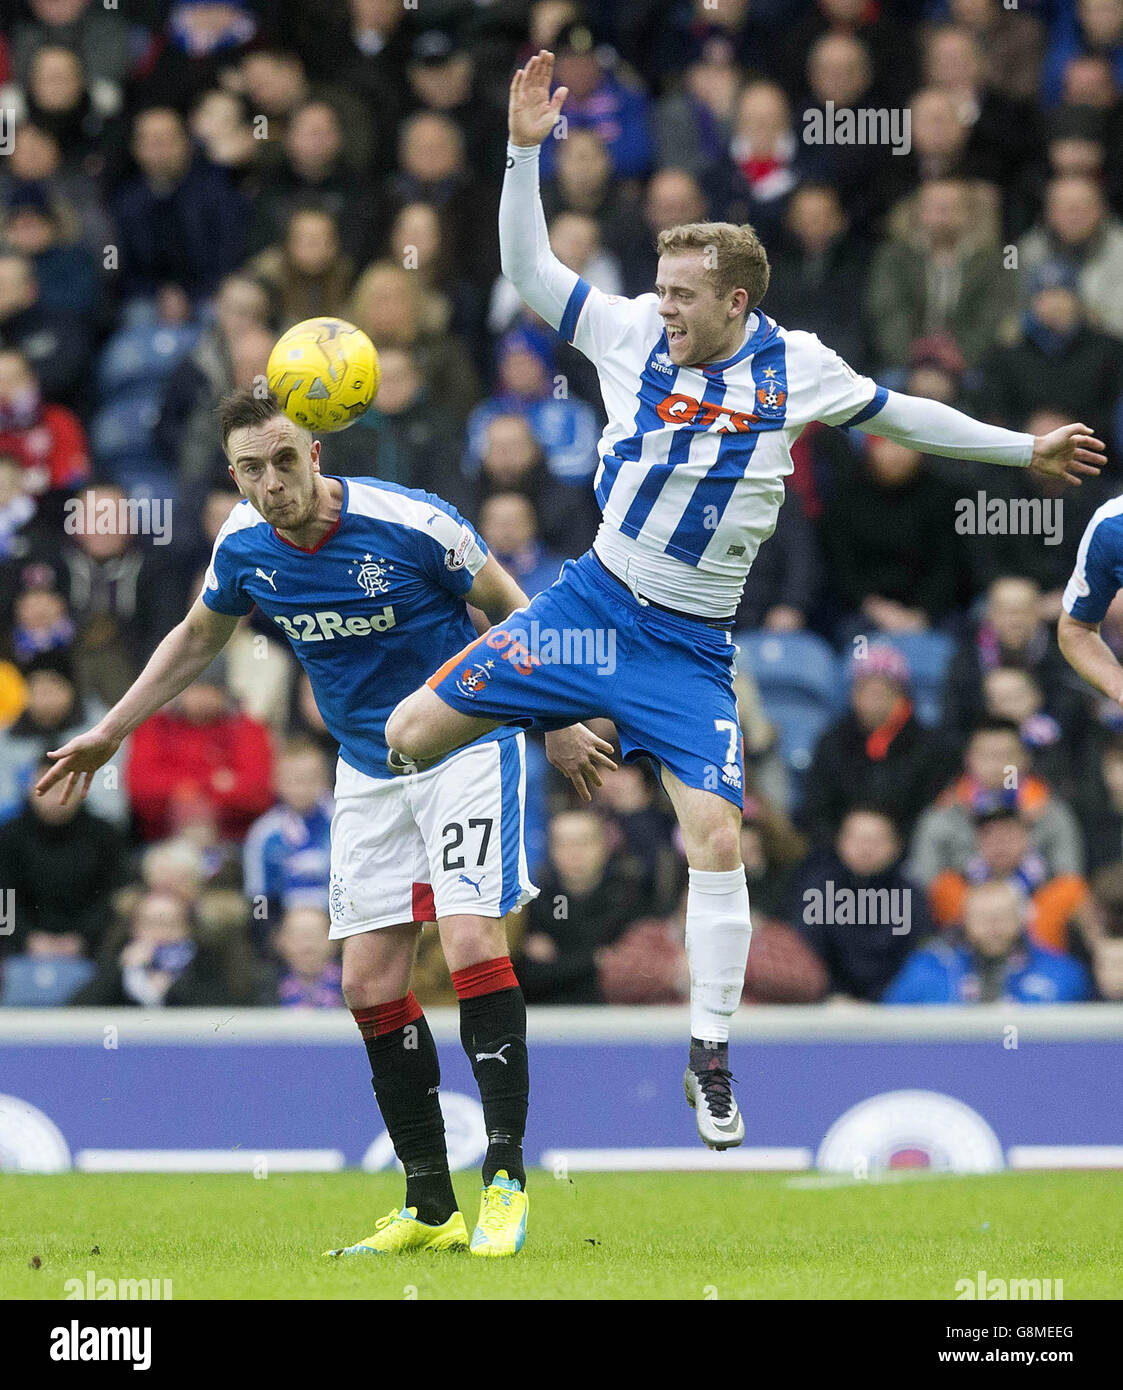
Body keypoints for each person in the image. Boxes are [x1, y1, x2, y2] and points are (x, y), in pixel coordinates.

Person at [385, 49, 1105, 1153]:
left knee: (715, 838)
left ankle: (708, 1055)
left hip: (685, 648)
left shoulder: (796, 366)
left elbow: (906, 414)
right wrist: (523, 149)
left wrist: (1022, 451)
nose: (658, 307)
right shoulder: (629, 333)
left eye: (679, 293)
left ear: (734, 298)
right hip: (589, 603)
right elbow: (531, 278)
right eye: (658, 289)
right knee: (407, 735)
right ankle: (425, 908)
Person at [38, 386, 606, 1259]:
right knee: (368, 986)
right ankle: (428, 1203)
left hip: (465, 745)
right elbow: (197, 638)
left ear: (316, 455)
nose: (271, 483)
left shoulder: (412, 521)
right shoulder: (243, 543)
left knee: (466, 946)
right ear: (233, 475)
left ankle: (501, 1182)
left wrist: (558, 718)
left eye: (284, 460)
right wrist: (110, 732)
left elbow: (510, 605)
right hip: (369, 769)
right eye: (250, 469)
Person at [883, 879, 1091, 1003]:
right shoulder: (927, 967)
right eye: (982, 917)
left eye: (1002, 916)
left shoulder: (1064, 972)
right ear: (964, 921)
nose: (993, 927)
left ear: (1022, 920)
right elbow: (889, 1028)